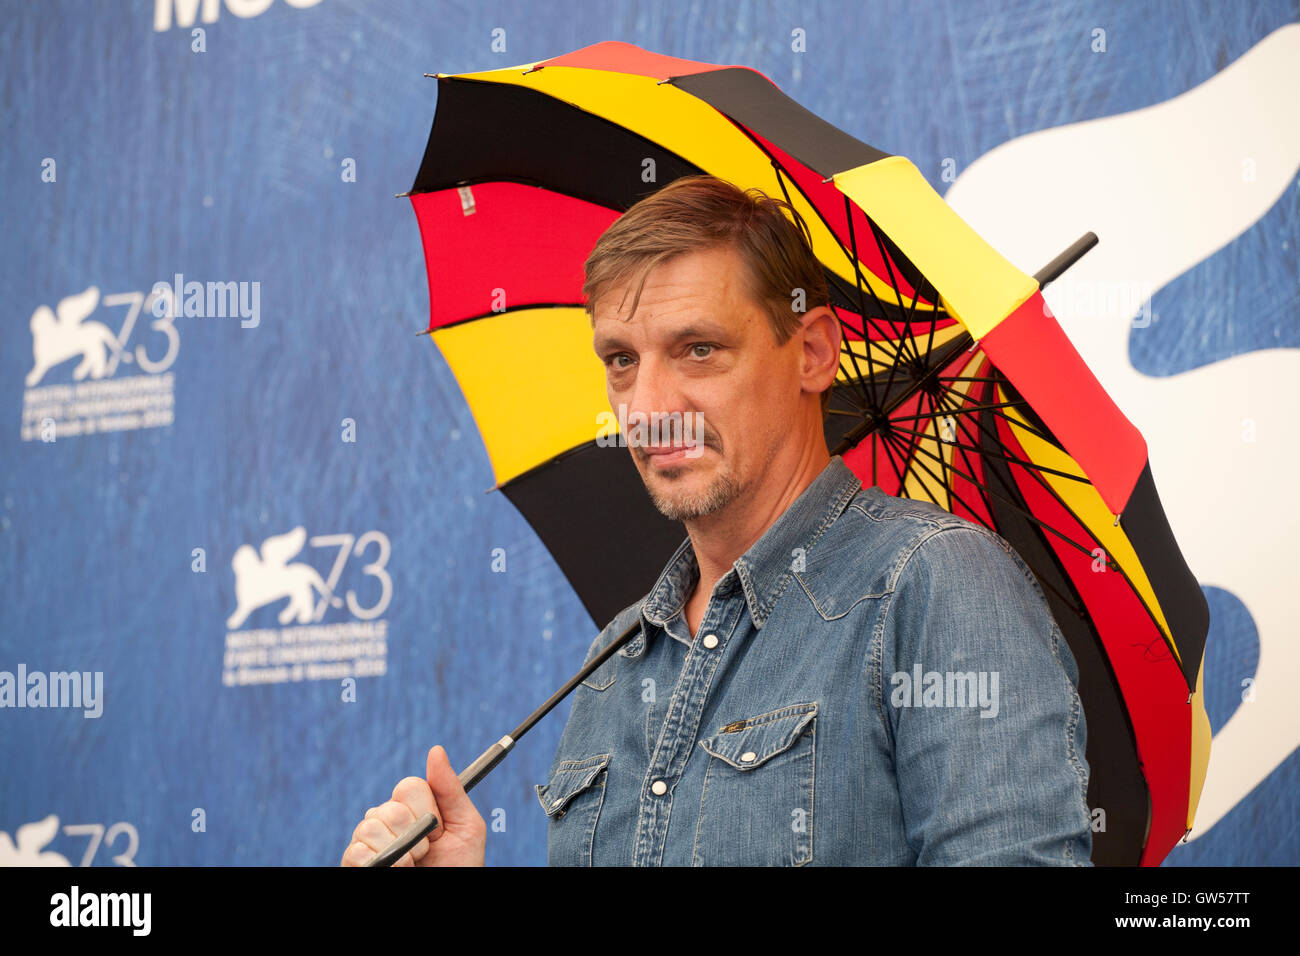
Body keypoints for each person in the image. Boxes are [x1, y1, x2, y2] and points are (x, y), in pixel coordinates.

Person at [341, 175, 1094, 867]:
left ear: (812, 351)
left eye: (698, 350)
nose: (649, 409)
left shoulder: (934, 586)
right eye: (621, 360)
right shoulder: (619, 655)